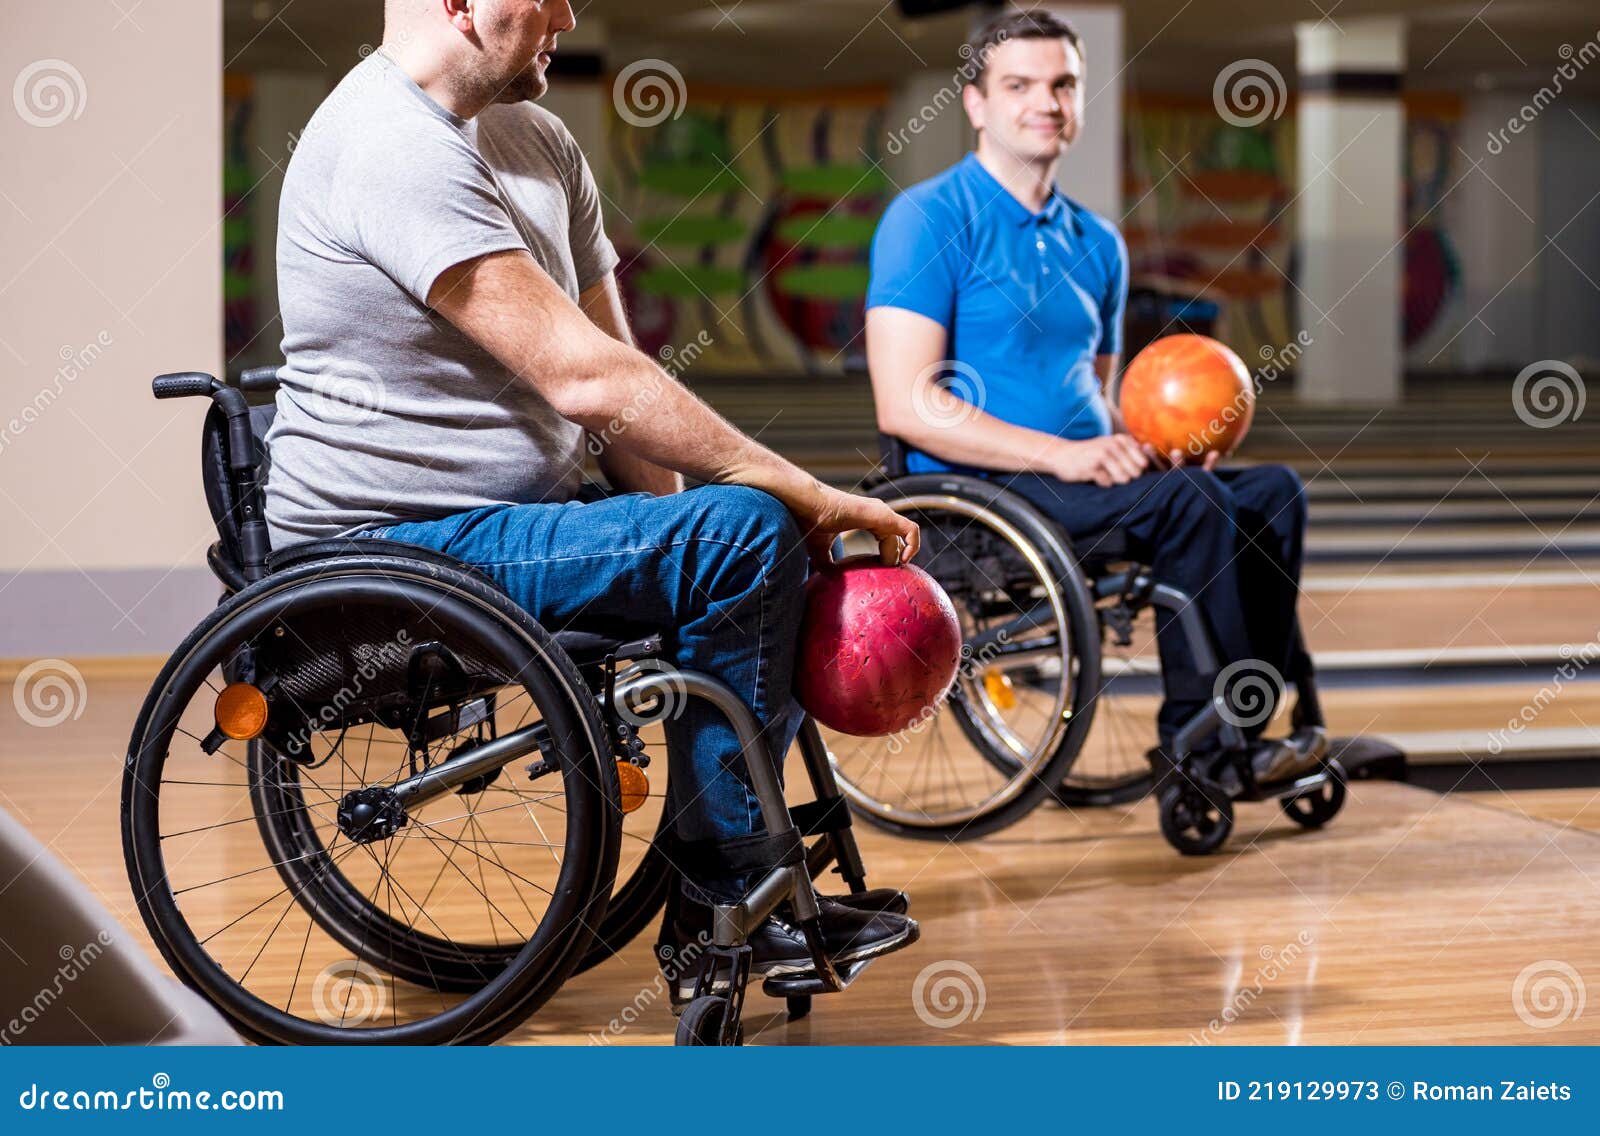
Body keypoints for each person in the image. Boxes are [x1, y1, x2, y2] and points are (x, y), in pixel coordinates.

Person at [263, 0, 921, 996]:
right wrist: (792, 493)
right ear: (459, 4)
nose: (571, 12)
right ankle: (726, 886)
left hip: (510, 524)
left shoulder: (539, 139)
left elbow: (620, 379)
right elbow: (584, 383)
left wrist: (683, 525)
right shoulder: (389, 146)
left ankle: (736, 883)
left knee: (746, 531)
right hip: (389, 546)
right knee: (750, 524)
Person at [865, 9, 1322, 781]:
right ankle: (1202, 750)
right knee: (1192, 507)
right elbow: (907, 405)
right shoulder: (928, 218)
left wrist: (1156, 443)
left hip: (1084, 477)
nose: (1046, 101)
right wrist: (1064, 456)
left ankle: (1255, 713)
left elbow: (1099, 393)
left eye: (1063, 84)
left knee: (1273, 491)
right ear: (976, 103)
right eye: (1019, 85)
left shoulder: (1096, 240)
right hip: (986, 491)